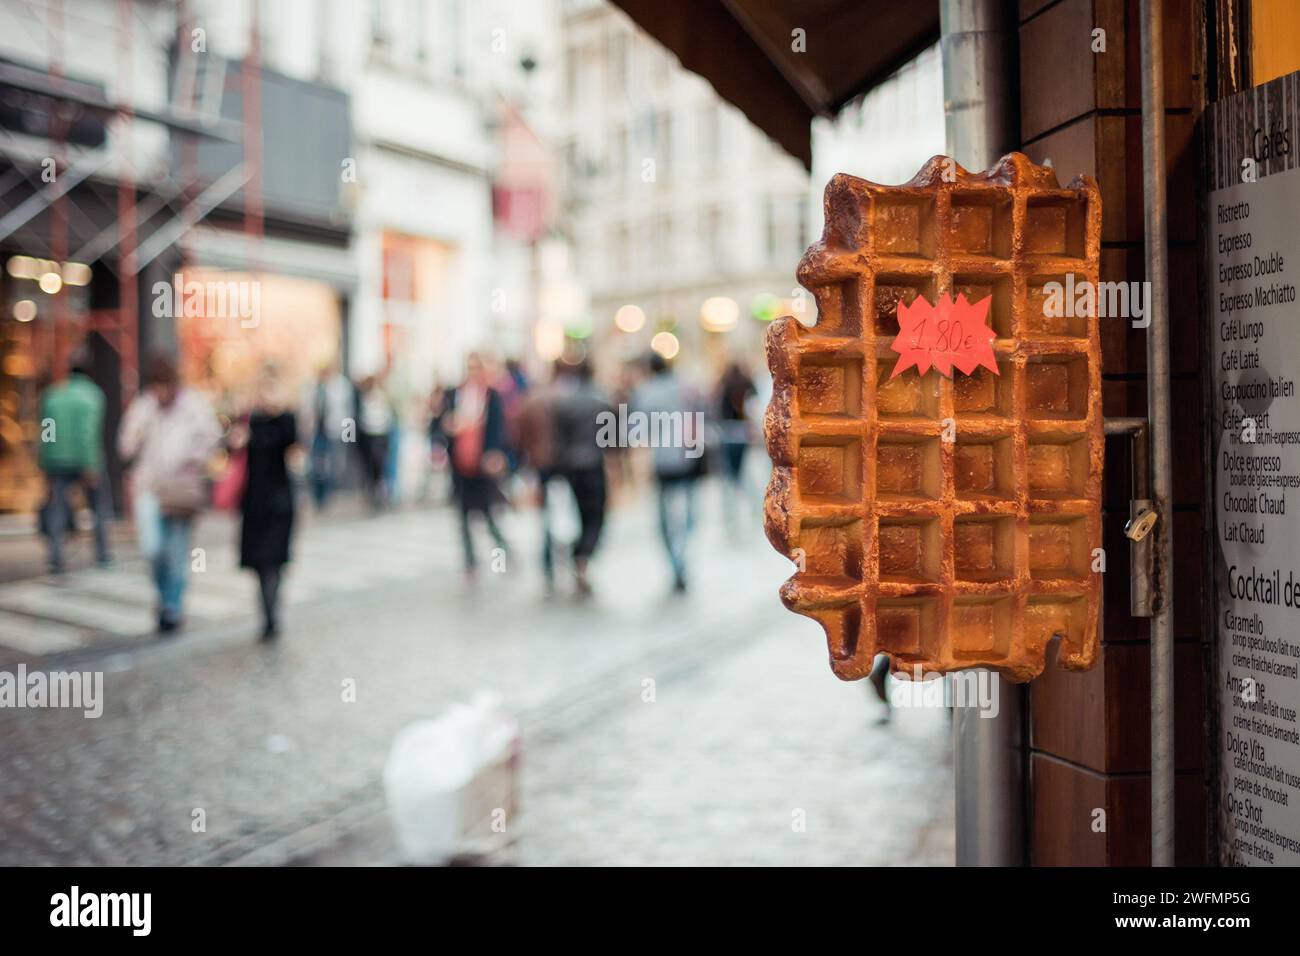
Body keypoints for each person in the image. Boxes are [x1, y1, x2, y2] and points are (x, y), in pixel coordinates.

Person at [118, 352, 220, 634]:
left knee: (176, 553)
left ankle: (171, 607)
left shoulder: (193, 406)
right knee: (153, 549)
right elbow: (125, 446)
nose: (161, 392)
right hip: (149, 489)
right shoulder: (143, 408)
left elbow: (211, 438)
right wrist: (139, 432)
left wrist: (193, 459)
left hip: (181, 490)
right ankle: (162, 596)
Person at [232, 369, 298, 640]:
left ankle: (272, 615)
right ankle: (267, 613)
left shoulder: (285, 420)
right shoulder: (249, 420)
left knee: (274, 562)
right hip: (254, 503)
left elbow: (289, 441)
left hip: (279, 503)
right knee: (260, 563)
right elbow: (232, 449)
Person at [632, 353, 704, 592]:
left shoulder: (646, 392)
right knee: (688, 515)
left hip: (662, 461)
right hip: (688, 456)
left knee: (664, 518)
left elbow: (637, 431)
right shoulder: (684, 386)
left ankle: (675, 562)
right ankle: (681, 556)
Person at [37, 351, 112, 573]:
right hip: (84, 459)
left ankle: (56, 556)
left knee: (57, 507)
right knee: (98, 506)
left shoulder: (52, 395)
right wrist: (91, 464)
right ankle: (102, 554)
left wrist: (45, 461)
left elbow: (46, 431)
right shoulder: (93, 395)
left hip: (56, 460)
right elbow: (89, 433)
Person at [439, 353, 508, 580]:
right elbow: (440, 422)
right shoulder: (453, 394)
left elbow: (498, 427)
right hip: (459, 462)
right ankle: (470, 562)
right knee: (462, 514)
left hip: (481, 463)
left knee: (487, 514)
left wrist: (495, 453)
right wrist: (447, 427)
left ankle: (503, 552)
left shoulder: (491, 395)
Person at [551, 357, 614, 596]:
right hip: (593, 464)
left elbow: (560, 436)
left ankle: (579, 555)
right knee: (595, 516)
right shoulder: (600, 401)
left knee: (580, 513)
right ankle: (582, 555)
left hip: (572, 466)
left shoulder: (567, 403)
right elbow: (611, 438)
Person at [516, 365, 561, 592]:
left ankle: (548, 557)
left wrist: (525, 458)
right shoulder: (560, 400)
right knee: (561, 511)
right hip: (562, 464)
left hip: (540, 463)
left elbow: (520, 434)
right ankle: (560, 553)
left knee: (547, 513)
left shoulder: (530, 401)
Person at [301, 361, 352, 510]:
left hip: (334, 431)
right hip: (316, 432)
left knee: (333, 464)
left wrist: (349, 435)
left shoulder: (341, 387)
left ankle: (328, 494)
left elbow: (348, 413)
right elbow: (306, 411)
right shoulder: (312, 387)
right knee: (315, 464)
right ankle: (318, 495)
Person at [715, 361, 758, 535]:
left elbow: (718, 410)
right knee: (741, 474)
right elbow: (754, 405)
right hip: (742, 434)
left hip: (727, 433)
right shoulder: (746, 383)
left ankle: (731, 516)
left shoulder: (724, 385)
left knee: (731, 476)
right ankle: (755, 508)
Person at [355, 374, 394, 510]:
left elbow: (387, 415)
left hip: (380, 433)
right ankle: (372, 489)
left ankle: (380, 489)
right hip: (368, 434)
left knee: (379, 462)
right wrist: (348, 437)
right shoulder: (361, 397)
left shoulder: (382, 396)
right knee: (370, 464)